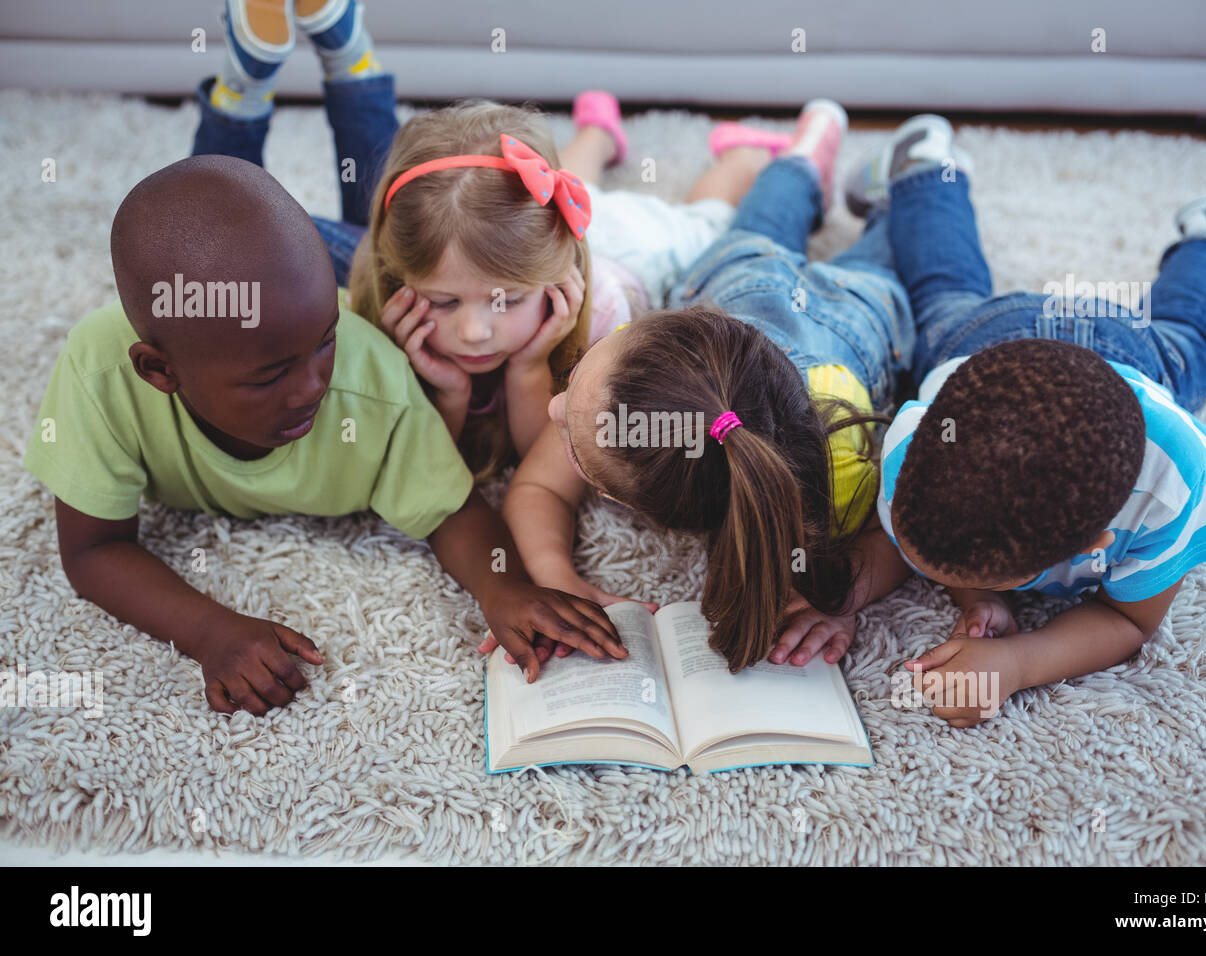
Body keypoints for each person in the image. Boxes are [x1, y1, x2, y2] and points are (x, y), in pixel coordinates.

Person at [22, 154, 626, 717]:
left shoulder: (370, 378)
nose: (313, 385)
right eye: (270, 375)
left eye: (324, 342)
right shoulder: (98, 374)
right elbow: (92, 550)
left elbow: (453, 508)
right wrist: (209, 630)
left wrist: (503, 587)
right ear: (160, 371)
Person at [191, 0, 789, 478]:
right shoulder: (384, 290)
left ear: (553, 280)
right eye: (446, 302)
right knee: (221, 240)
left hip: (626, 243)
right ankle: (330, 68)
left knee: (706, 218)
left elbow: (548, 467)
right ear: (400, 273)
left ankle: (730, 154)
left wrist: (530, 369)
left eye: (502, 302)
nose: (473, 332)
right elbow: (418, 471)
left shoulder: (605, 312)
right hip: (504, 237)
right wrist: (447, 395)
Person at [852, 114, 1206, 727]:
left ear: (1095, 550)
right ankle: (925, 171)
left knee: (1193, 341)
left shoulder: (1172, 485)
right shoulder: (915, 446)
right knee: (942, 293)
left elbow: (1128, 620)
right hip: (984, 345)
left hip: (1128, 352)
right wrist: (981, 594)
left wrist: (1018, 662)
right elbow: (917, 539)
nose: (928, 576)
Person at [486, 99, 918, 673]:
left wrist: (843, 599)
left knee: (865, 235)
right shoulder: (617, 412)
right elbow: (536, 490)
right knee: (774, 224)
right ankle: (813, 167)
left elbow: (904, 532)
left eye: (583, 365)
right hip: (749, 283)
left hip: (847, 315)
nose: (555, 403)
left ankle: (881, 172)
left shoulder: (836, 466)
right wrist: (558, 579)